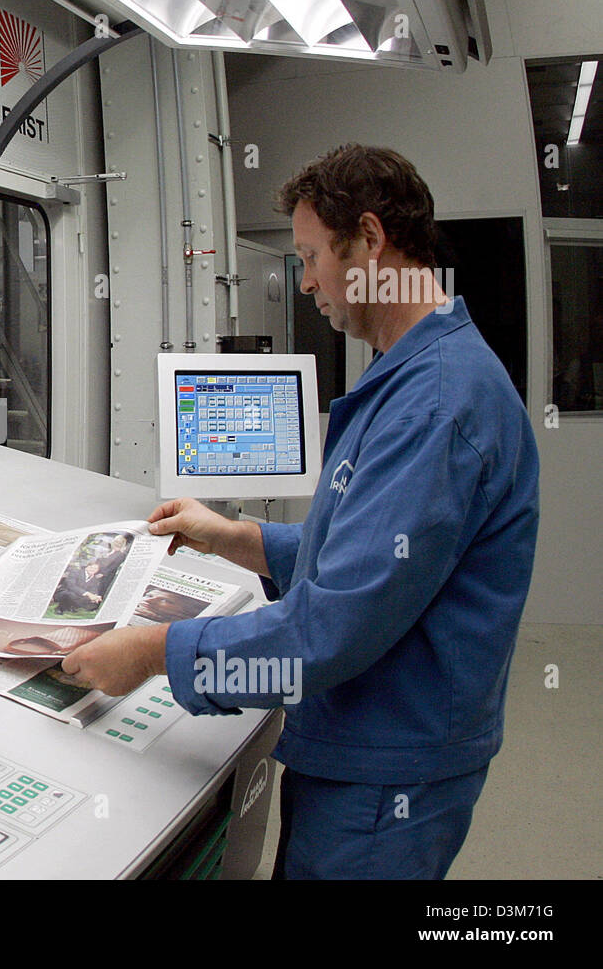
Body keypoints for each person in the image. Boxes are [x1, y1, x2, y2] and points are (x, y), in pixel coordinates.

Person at [63, 144, 540, 879]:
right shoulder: (413, 374)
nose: (307, 280)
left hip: (386, 778)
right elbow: (366, 552)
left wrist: (154, 653)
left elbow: (331, 628)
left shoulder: (437, 403)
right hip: (363, 744)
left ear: (370, 240)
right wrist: (234, 536)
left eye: (313, 256)